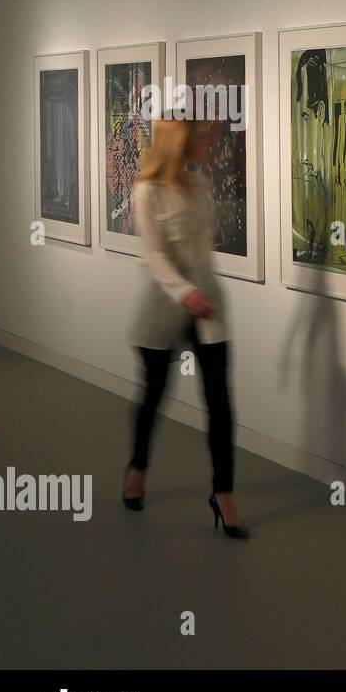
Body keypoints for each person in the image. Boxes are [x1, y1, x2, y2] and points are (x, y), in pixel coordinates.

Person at [120, 114, 248, 539]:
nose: (206, 143)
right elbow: (155, 255)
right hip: (165, 304)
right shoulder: (147, 190)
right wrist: (183, 292)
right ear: (179, 143)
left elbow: (204, 250)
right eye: (198, 138)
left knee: (220, 403)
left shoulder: (201, 185)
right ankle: (138, 467)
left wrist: (202, 294)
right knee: (154, 395)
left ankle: (224, 493)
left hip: (208, 307)